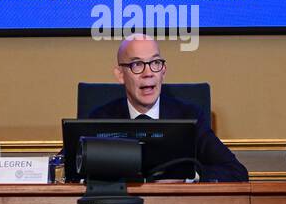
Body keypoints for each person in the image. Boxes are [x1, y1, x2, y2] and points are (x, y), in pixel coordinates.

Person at [86, 34, 247, 182]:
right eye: (137, 64)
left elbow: (236, 172)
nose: (148, 73)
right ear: (120, 75)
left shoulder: (189, 117)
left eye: (155, 63)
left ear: (163, 71)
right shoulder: (100, 118)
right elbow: (64, 169)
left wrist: (188, 175)